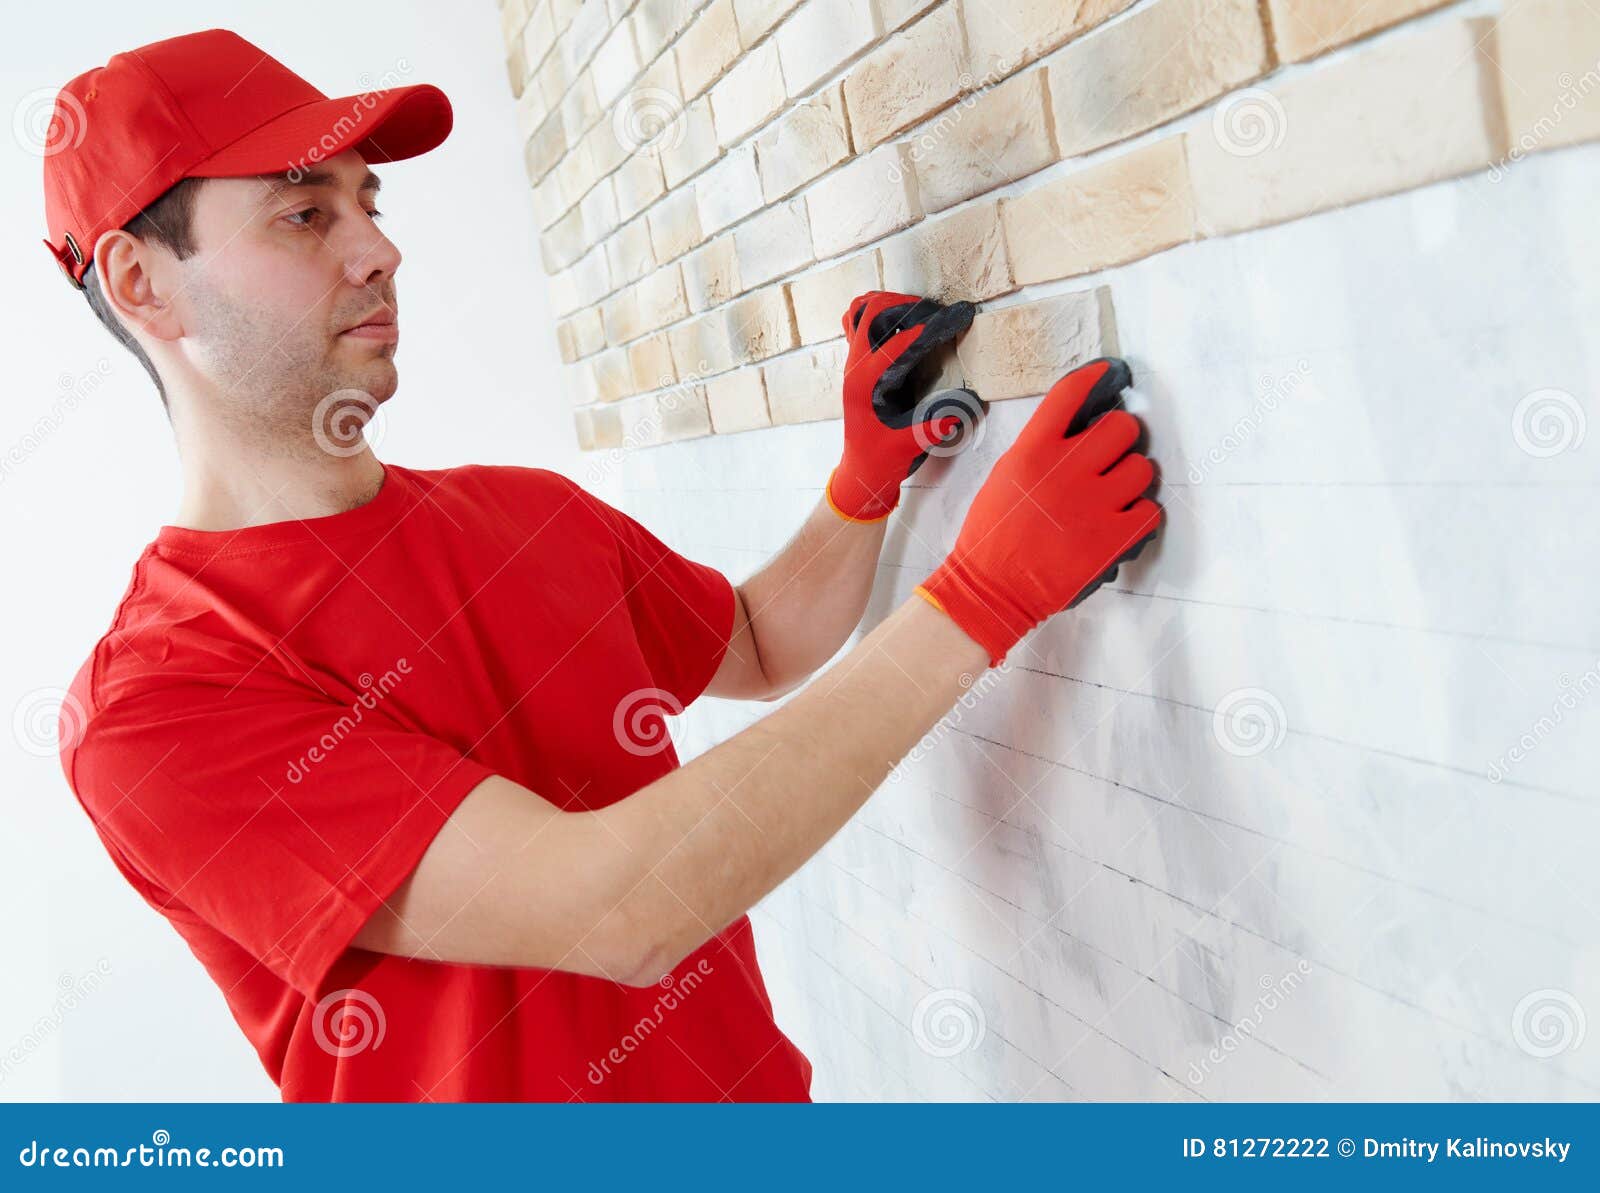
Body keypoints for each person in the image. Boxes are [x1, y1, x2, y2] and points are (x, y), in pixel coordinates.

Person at [46, 29, 1161, 1102]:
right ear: (141, 283)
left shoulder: (524, 515)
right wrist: (981, 597)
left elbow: (760, 642)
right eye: (303, 213)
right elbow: (620, 910)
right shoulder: (158, 706)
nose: (379, 251)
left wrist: (861, 485)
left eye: (368, 205)